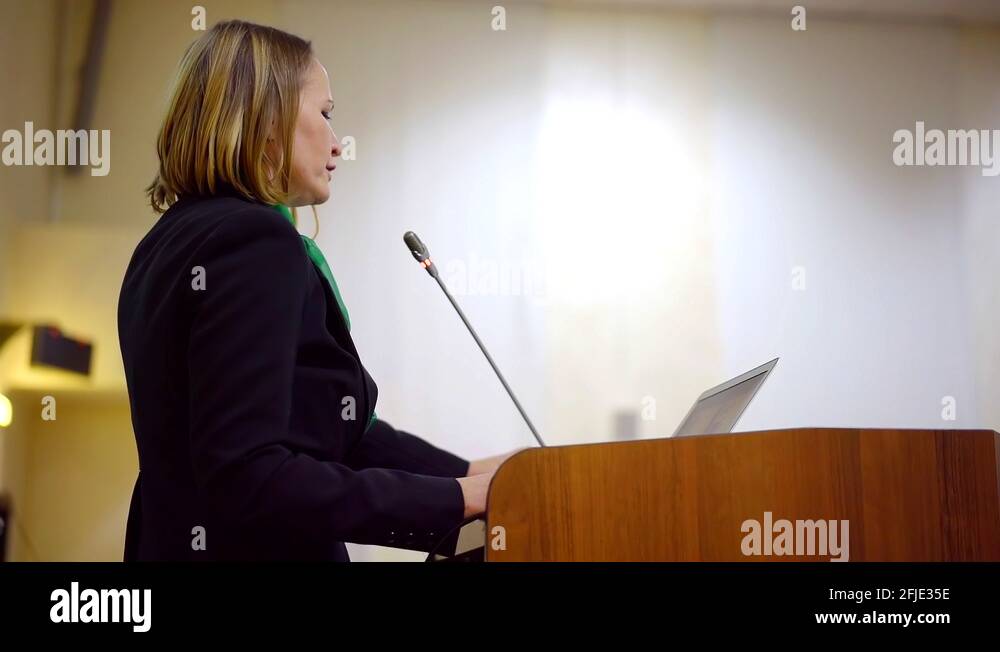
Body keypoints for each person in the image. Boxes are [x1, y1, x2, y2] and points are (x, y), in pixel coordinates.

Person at [118, 19, 518, 560]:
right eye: (325, 114)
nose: (337, 143)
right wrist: (452, 499)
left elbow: (329, 429)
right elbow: (248, 474)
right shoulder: (254, 240)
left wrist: (471, 477)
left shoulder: (167, 243)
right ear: (266, 117)